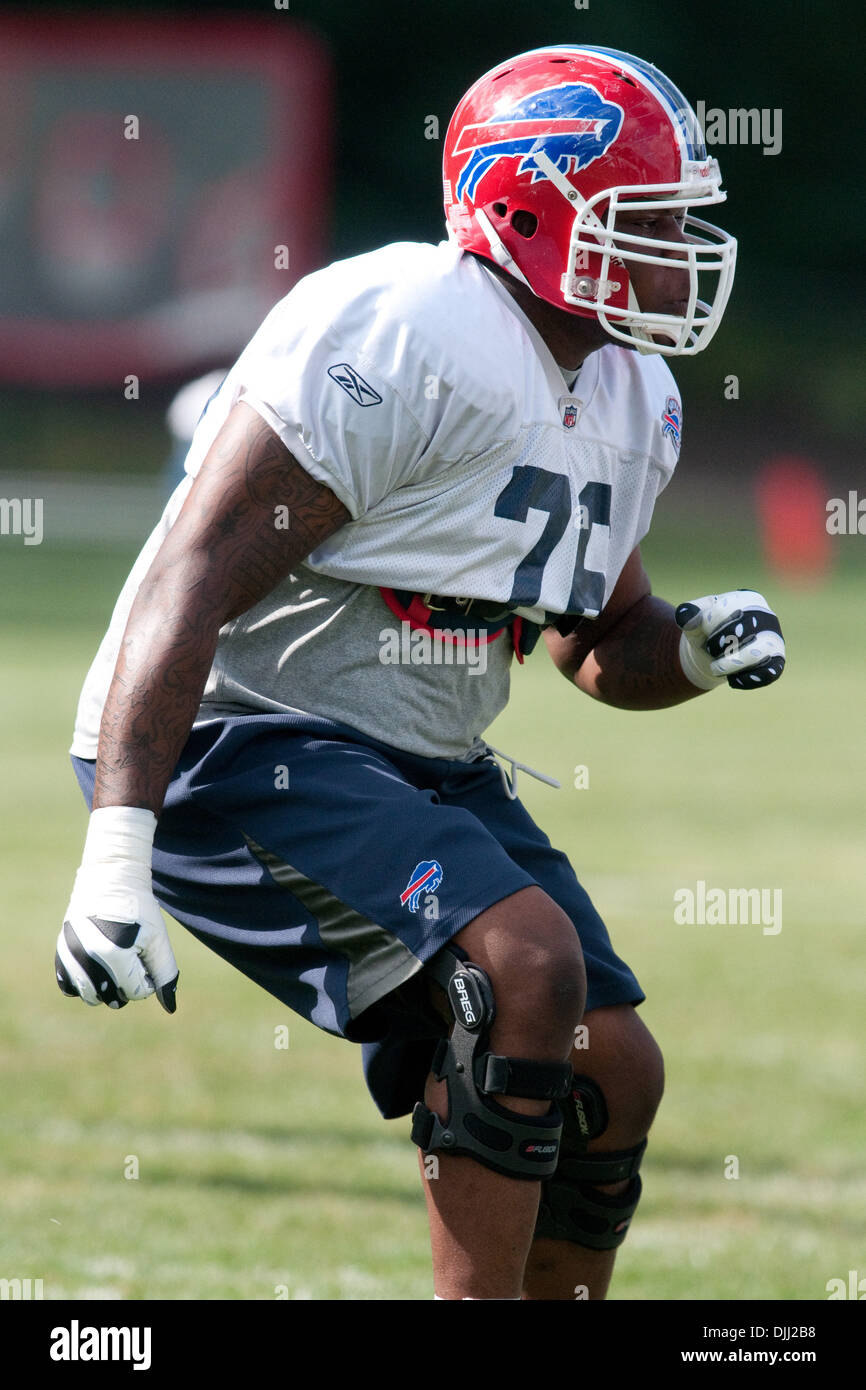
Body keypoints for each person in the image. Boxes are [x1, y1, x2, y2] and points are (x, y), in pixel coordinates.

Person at [56, 45, 785, 1300]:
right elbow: (188, 578)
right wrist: (116, 850)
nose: (676, 252)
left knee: (614, 1070)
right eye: (645, 221)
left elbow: (593, 641)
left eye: (680, 223)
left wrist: (688, 650)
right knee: (523, 967)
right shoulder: (407, 326)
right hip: (238, 739)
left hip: (426, 761)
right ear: (524, 204)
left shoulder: (629, 393)